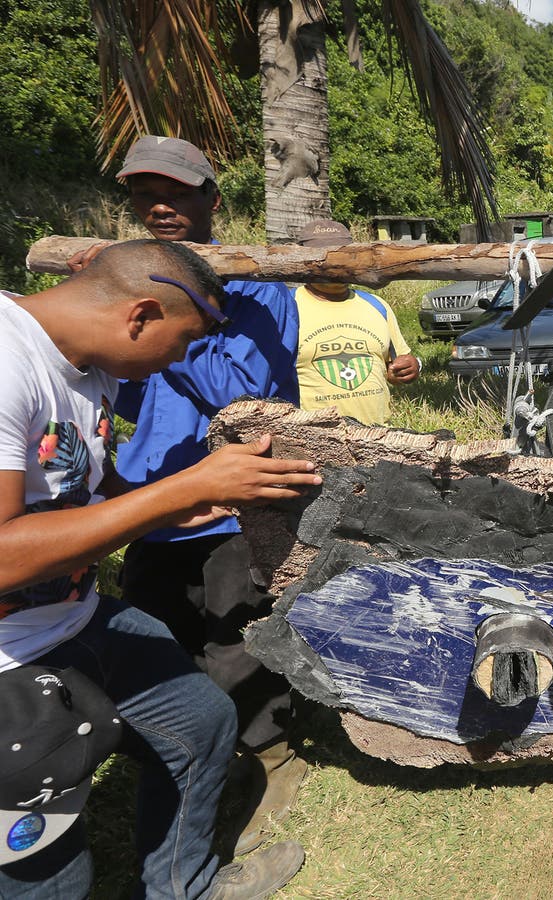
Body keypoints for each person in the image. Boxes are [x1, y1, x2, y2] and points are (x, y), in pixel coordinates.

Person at [0, 240, 320, 898]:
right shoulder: (6, 363)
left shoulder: (87, 365)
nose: (179, 362)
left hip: (73, 615)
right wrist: (175, 491)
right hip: (9, 661)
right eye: (182, 343)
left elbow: (77, 485)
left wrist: (172, 509)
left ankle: (183, 886)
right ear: (141, 315)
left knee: (199, 725)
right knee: (50, 877)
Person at [96, 135, 304, 857]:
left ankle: (270, 759)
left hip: (230, 503)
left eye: (179, 192)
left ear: (213, 199)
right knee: (161, 644)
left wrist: (179, 315)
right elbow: (123, 396)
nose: (159, 206)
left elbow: (240, 399)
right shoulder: (124, 285)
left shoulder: (261, 290)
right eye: (144, 193)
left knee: (238, 645)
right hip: (152, 502)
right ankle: (178, 771)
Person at [293, 219, 421, 425]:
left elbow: (397, 367)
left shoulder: (377, 305)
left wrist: (411, 368)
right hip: (314, 440)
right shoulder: (287, 308)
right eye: (323, 256)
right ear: (303, 260)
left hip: (378, 438)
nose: (334, 263)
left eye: (342, 254)